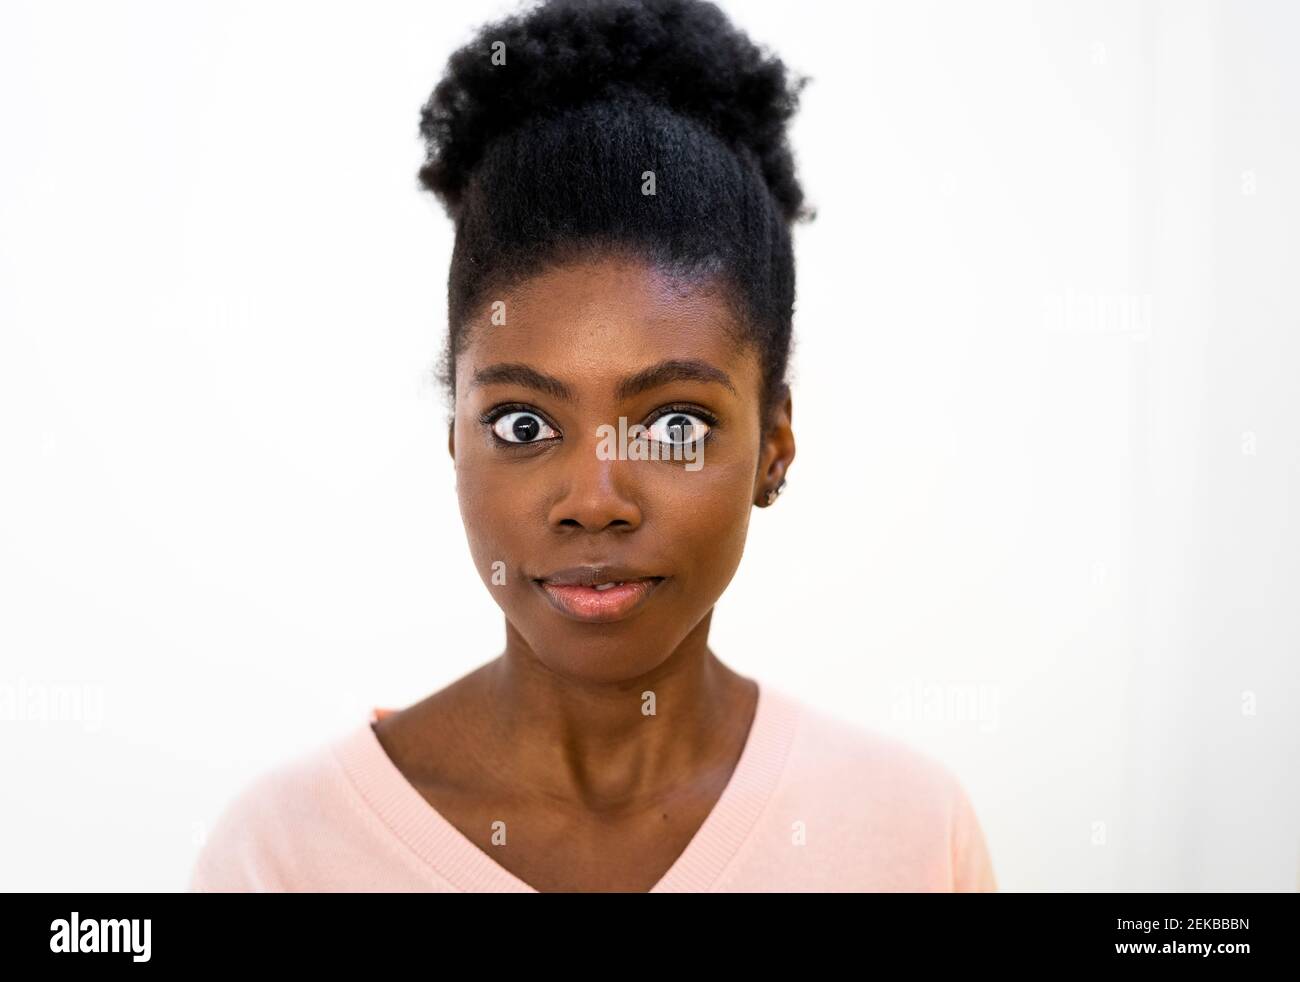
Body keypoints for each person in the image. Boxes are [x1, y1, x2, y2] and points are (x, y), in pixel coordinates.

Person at [188, 0, 997, 893]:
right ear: (456, 437)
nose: (594, 498)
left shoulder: (909, 835)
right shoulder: (287, 855)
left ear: (774, 446)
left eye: (674, 426)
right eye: (524, 425)